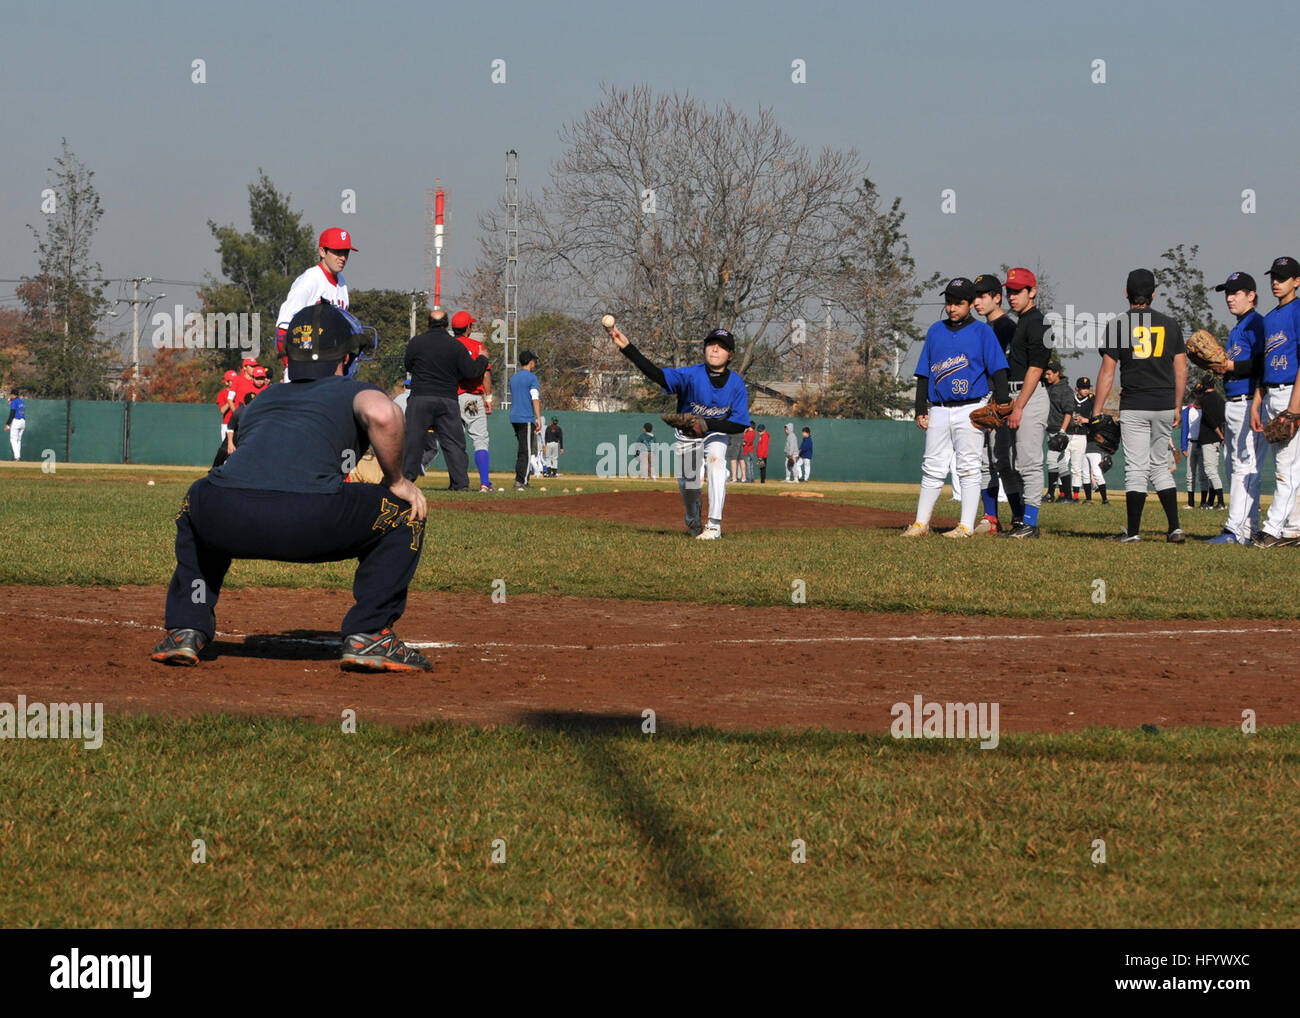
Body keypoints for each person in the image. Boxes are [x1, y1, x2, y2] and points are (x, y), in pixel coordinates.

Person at [151, 302, 431, 671]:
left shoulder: (263, 398)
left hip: (224, 513)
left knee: (197, 504)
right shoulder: (352, 389)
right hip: (310, 520)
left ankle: (186, 628)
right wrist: (397, 480)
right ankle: (370, 634)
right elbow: (382, 413)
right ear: (344, 359)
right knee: (405, 511)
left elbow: (232, 451)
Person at [609, 324, 750, 539]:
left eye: (721, 347)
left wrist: (707, 425)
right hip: (688, 435)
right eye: (711, 344)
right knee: (689, 483)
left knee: (716, 461)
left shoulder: (736, 384)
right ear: (704, 349)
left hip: (716, 432)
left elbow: (740, 423)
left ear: (730, 355)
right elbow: (657, 375)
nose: (715, 349)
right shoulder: (691, 375)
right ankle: (693, 519)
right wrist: (627, 347)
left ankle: (713, 526)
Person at [903, 277, 1010, 538]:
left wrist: (1004, 401)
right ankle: (920, 523)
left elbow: (998, 369)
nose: (952, 307)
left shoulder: (983, 332)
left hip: (971, 408)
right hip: (939, 407)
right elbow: (924, 373)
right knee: (932, 466)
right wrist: (920, 408)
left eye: (958, 303)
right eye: (949, 302)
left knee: (969, 467)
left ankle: (964, 526)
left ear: (971, 304)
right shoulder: (935, 331)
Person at [1090, 267, 1188, 543]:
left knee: (1136, 468)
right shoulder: (1170, 324)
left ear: (1126, 293)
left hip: (1135, 403)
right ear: (1154, 294)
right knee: (1159, 465)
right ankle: (1174, 529)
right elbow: (1181, 370)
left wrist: (1097, 410)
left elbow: (1108, 373)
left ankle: (1133, 532)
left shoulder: (1118, 325)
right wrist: (1178, 405)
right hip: (1165, 402)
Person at [1206, 271, 1266, 544]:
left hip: (1249, 403)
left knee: (1245, 466)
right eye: (1227, 293)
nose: (1229, 298)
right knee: (1234, 468)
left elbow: (1261, 365)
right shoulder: (1237, 327)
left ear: (1251, 295)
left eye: (1235, 292)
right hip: (1233, 402)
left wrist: (1231, 366)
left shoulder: (1257, 324)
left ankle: (1235, 530)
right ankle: (1248, 527)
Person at [997, 267, 1053, 538]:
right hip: (1013, 396)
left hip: (1029, 396)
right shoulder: (1021, 322)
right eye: (1009, 291)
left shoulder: (1039, 322)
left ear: (1032, 292)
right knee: (1007, 462)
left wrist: (1019, 405)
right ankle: (1020, 520)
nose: (1012, 296)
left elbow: (1036, 367)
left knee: (1028, 462)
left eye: (1018, 291)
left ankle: (1030, 523)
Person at [403, 308, 488, 490]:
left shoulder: (416, 343)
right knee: (453, 443)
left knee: (413, 440)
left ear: (427, 323)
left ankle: (406, 479)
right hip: (447, 400)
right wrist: (482, 359)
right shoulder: (455, 345)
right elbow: (471, 372)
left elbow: (408, 365)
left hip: (420, 398)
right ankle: (460, 484)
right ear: (446, 325)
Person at [1248, 256, 1300, 547]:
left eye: (1283, 277)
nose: (1276, 282)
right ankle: (1293, 530)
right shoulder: (1269, 319)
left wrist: (1295, 407)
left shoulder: (1298, 311)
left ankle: (1272, 529)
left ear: (1297, 281)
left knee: (1285, 469)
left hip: (1294, 392)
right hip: (1272, 392)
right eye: (1274, 277)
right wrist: (1257, 403)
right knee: (1293, 467)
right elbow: (1264, 366)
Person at [275, 227, 356, 381]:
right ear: (322, 252)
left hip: (330, 372)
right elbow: (283, 331)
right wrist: (292, 367)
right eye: (337, 252)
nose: (343, 257)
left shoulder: (342, 284)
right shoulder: (310, 280)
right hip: (305, 374)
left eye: (346, 252)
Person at [972, 273, 1017, 534]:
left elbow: (1008, 371)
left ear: (997, 298)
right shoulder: (981, 329)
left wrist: (999, 402)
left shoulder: (1007, 328)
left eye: (982, 296)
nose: (977, 301)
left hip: (1000, 401)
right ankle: (990, 518)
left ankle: (1019, 516)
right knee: (984, 462)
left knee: (1005, 461)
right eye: (974, 297)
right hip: (982, 399)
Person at [450, 311, 495, 491]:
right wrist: (488, 398)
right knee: (480, 439)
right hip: (471, 399)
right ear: (468, 328)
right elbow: (485, 374)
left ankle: (457, 483)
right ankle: (484, 482)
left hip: (450, 398)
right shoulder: (477, 347)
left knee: (454, 442)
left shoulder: (447, 346)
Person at [508, 351, 542, 489]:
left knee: (522, 449)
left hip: (514, 417)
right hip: (526, 418)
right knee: (527, 451)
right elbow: (535, 398)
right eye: (534, 361)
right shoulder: (532, 378)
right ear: (530, 362)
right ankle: (523, 481)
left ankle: (519, 479)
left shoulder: (513, 378)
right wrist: (538, 418)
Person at [1043, 361, 1075, 502]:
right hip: (1051, 428)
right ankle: (1067, 496)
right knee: (1061, 462)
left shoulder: (1065, 389)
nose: (1047, 376)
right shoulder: (1048, 387)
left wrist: (1062, 431)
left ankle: (1050, 494)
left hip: (1062, 429)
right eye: (1046, 373)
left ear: (1057, 373)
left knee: (1051, 459)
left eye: (1049, 373)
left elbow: (1069, 412)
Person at [1194, 379, 1225, 509]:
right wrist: (1223, 435)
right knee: (1213, 469)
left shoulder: (1205, 399)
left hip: (1209, 437)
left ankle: (1221, 502)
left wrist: (1219, 433)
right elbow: (1223, 418)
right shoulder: (1220, 399)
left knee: (1210, 470)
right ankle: (1211, 502)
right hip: (1217, 439)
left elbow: (1208, 419)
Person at [1067, 377, 1098, 503]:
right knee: (1063, 464)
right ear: (1077, 388)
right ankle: (1063, 493)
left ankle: (1075, 496)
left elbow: (1097, 419)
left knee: (1076, 468)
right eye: (1083, 388)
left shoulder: (1092, 400)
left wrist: (1085, 420)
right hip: (1068, 434)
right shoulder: (1069, 398)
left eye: (1087, 388)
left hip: (1081, 435)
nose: (1086, 390)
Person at [1181, 392, 1204, 509]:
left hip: (1202, 445)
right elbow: (1184, 429)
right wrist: (1183, 446)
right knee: (1190, 474)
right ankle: (1190, 502)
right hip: (1191, 443)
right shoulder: (1187, 410)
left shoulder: (1204, 411)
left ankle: (1203, 502)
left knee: (1203, 474)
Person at [217, 370, 238, 444]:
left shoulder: (240, 391)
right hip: (227, 425)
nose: (235, 382)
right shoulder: (222, 394)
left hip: (238, 424)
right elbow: (222, 410)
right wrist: (230, 399)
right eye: (233, 381)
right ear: (226, 382)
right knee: (227, 450)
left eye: (236, 380)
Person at [5, 388, 26, 460]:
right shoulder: (22, 401)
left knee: (13, 439)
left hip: (16, 421)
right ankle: (18, 456)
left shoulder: (14, 401)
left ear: (13, 395)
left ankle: (17, 457)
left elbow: (12, 413)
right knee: (18, 440)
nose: (10, 396)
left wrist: (8, 424)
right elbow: (16, 404)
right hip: (23, 422)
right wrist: (11, 401)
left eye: (11, 395)